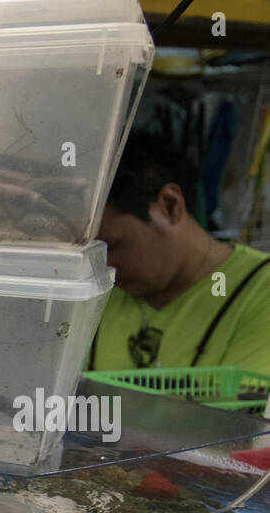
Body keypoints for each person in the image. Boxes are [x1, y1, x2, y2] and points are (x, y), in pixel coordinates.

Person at [89, 133, 270, 373]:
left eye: (111, 246)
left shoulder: (259, 290)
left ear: (169, 205)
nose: (102, 267)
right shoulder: (94, 297)